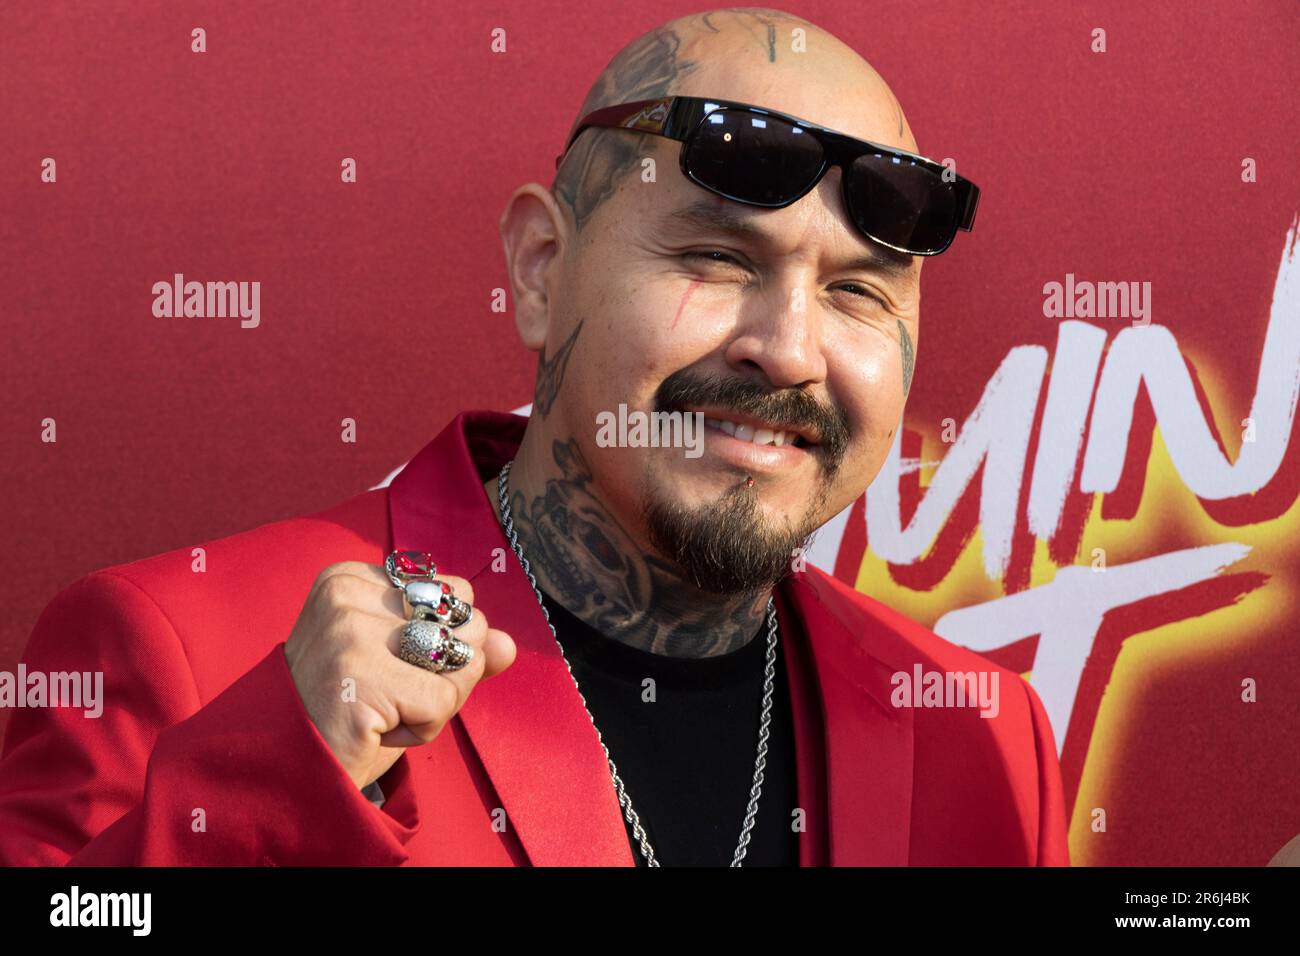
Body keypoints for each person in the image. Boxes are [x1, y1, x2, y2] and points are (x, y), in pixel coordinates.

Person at [0, 7, 1067, 866]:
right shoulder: (187, 650)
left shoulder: (988, 739)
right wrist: (265, 789)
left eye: (856, 292)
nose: (787, 350)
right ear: (540, 270)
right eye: (719, 260)